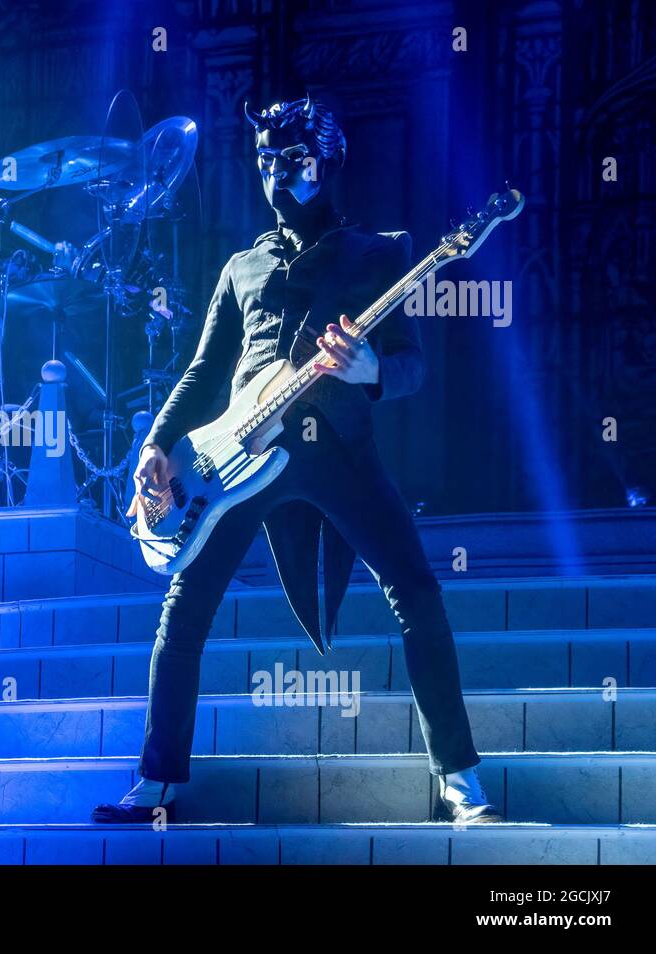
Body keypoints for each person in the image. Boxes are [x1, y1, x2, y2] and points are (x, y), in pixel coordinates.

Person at [92, 97, 502, 825]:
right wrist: (156, 443)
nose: (276, 173)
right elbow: (201, 369)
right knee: (184, 606)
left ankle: (460, 779)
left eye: (292, 159)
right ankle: (155, 780)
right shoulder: (241, 265)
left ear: (329, 161)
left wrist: (369, 365)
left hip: (339, 449)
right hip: (233, 457)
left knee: (417, 591)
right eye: (263, 160)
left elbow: (411, 366)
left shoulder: (379, 252)